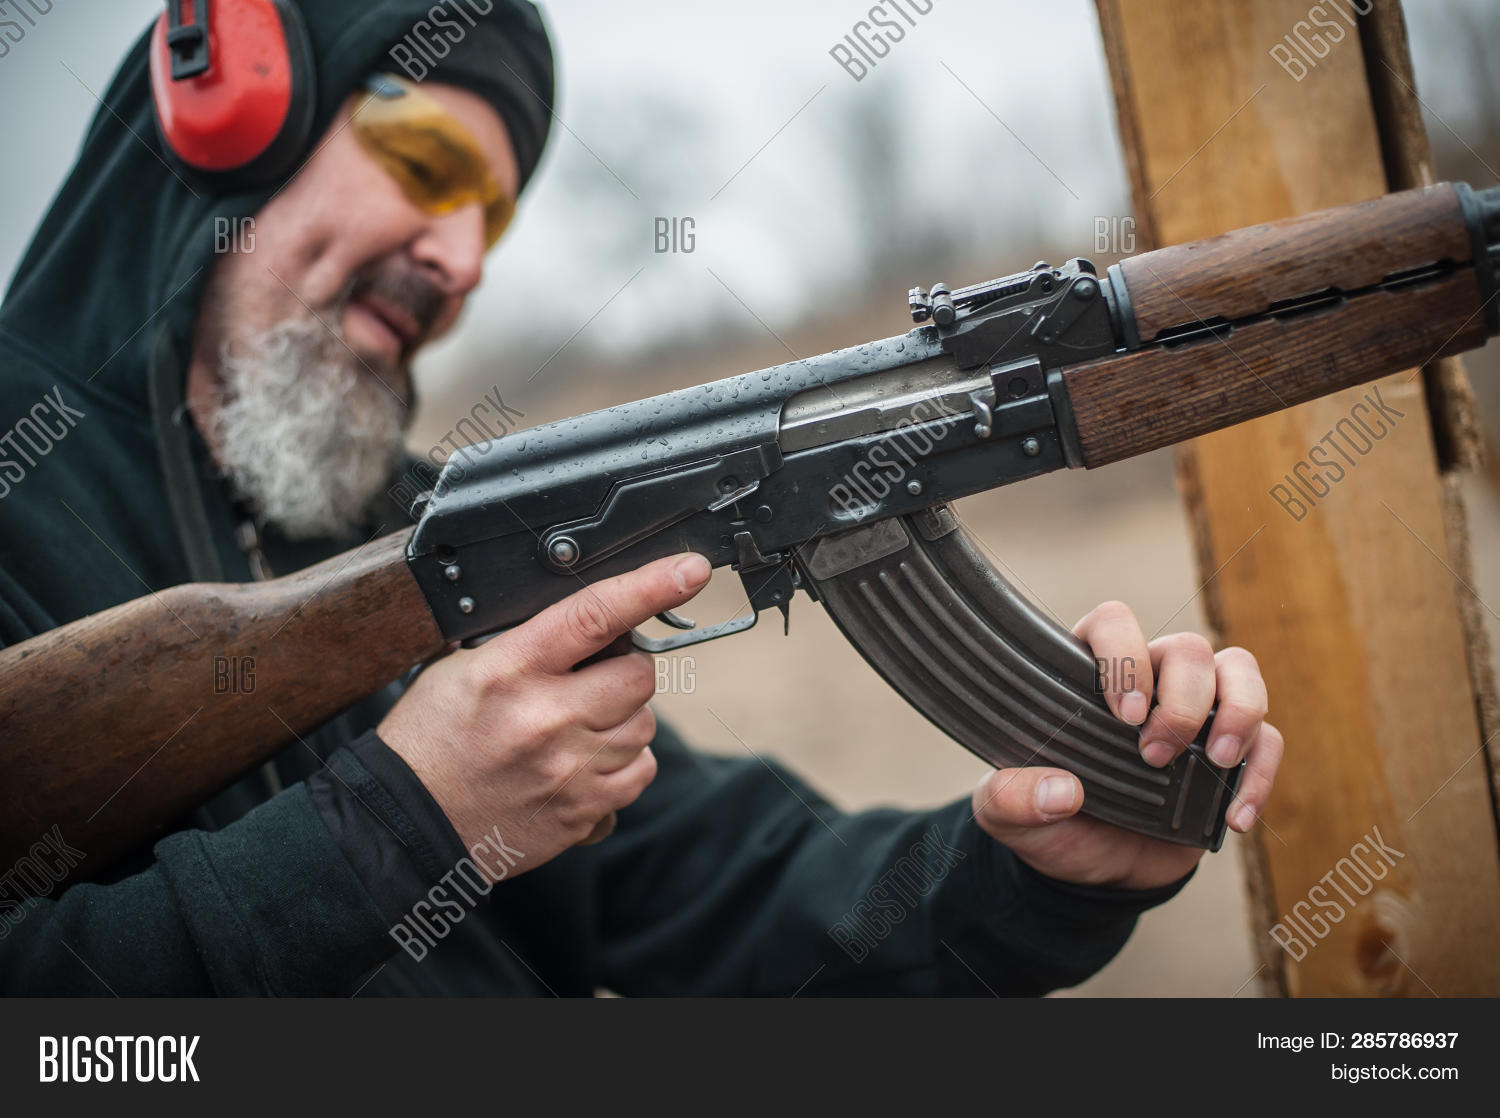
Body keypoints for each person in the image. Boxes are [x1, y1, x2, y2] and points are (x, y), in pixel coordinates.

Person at [0, 0, 1281, 995]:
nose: (460, 258)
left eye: (492, 219)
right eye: (427, 159)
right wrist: (396, 827)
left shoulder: (398, 527)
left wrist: (1037, 871)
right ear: (229, 109)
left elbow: (715, 890)